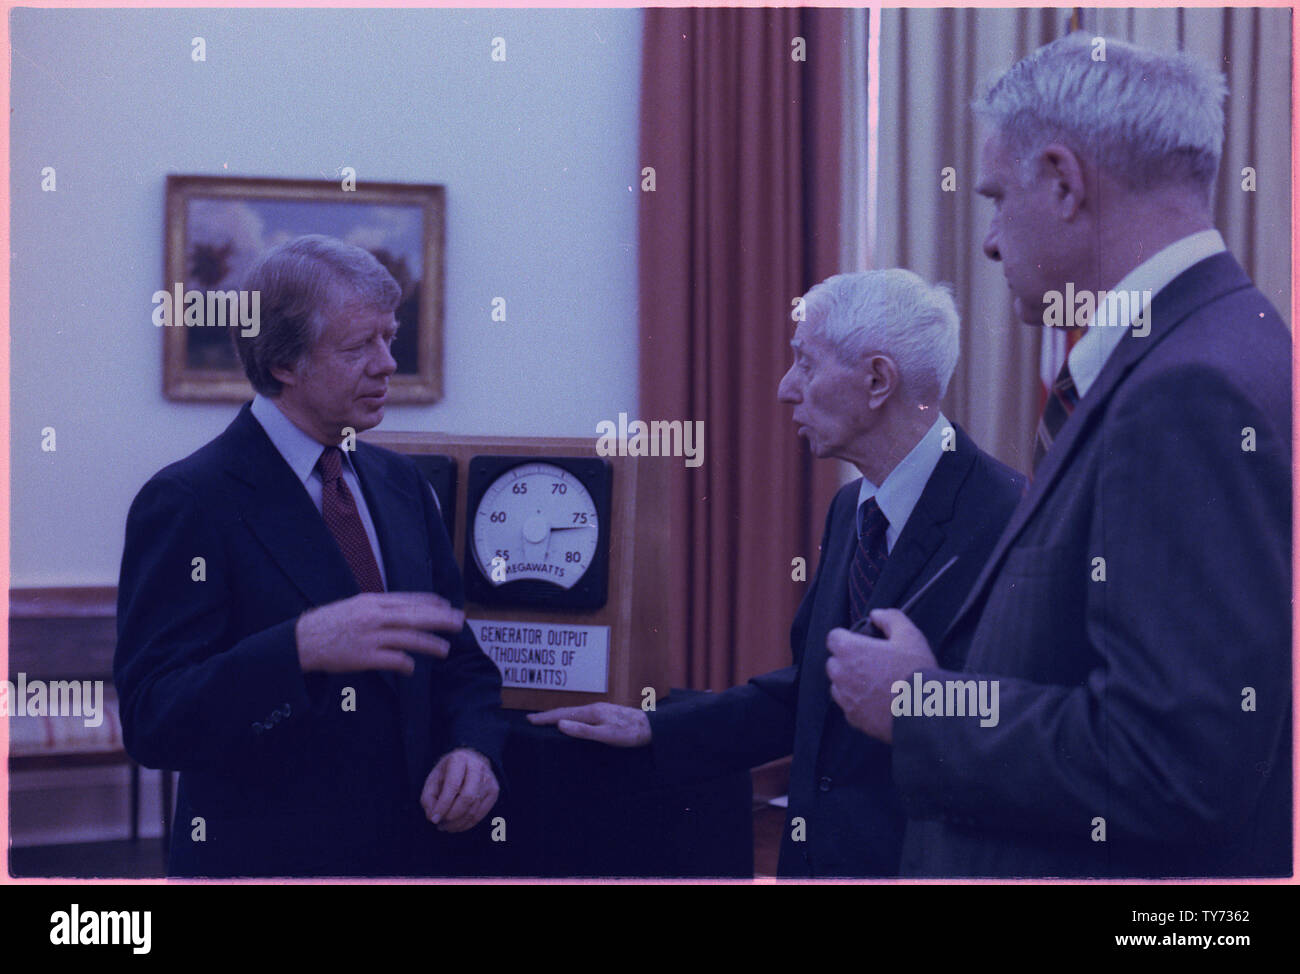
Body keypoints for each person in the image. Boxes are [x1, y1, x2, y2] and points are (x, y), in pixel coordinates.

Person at [826, 35, 1291, 877]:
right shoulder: (1224, 341)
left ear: (1065, 181)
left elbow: (1173, 763)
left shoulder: (1187, 391)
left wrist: (919, 705)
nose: (992, 241)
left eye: (999, 198)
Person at [530, 270, 1024, 876]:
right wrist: (656, 728)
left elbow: (1013, 735)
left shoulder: (1011, 521)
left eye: (806, 364)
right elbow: (814, 694)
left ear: (876, 381)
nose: (786, 388)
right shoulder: (854, 508)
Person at [114, 235, 505, 877]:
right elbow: (154, 718)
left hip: (416, 856)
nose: (387, 365)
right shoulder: (187, 500)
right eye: (359, 348)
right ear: (284, 364)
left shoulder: (403, 485)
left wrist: (474, 750)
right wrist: (297, 648)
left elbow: (460, 661)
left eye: (390, 337)